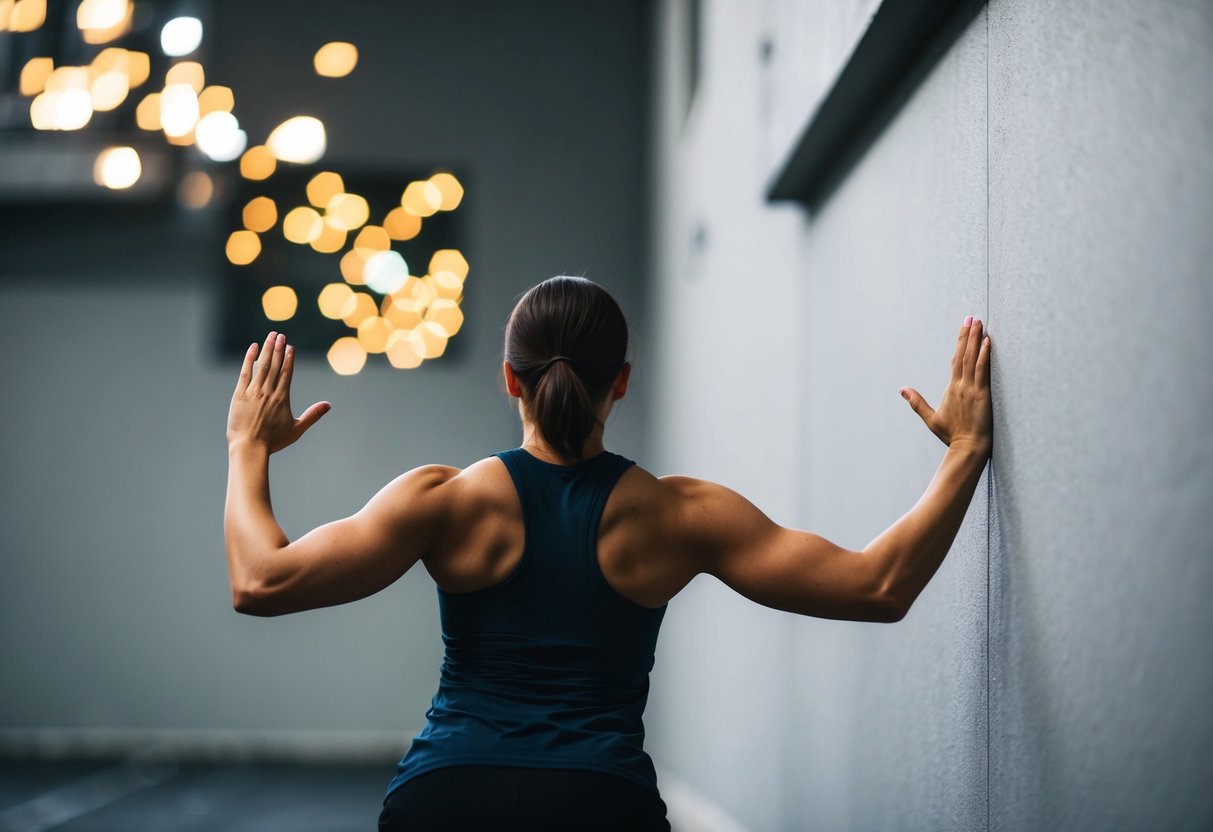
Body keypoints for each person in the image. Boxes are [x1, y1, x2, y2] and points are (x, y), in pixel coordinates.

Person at [224, 275, 992, 831]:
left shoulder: (443, 500)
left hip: (448, 797)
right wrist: (963, 451)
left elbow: (259, 581)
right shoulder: (681, 513)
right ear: (619, 382)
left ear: (508, 381)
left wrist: (247, 447)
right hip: (598, 802)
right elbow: (878, 586)